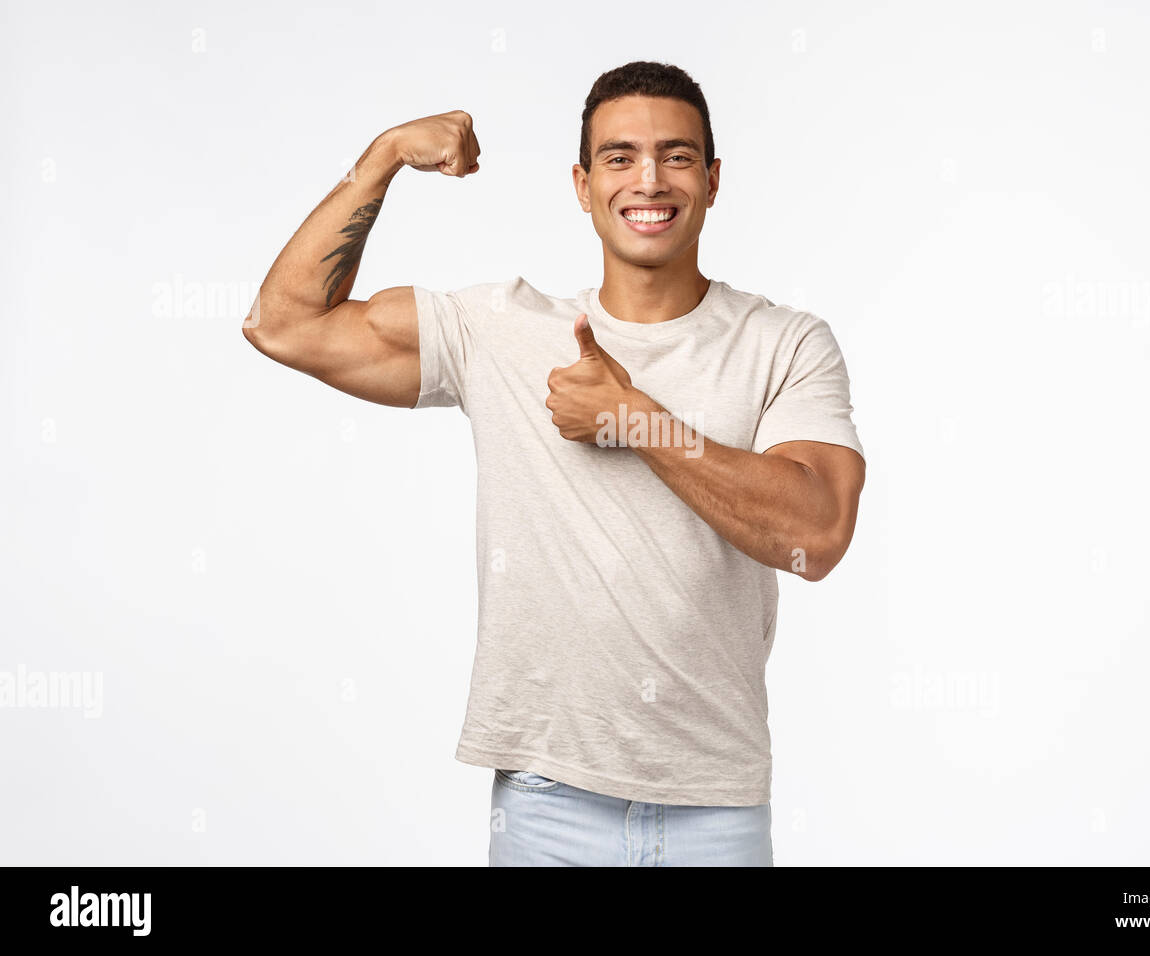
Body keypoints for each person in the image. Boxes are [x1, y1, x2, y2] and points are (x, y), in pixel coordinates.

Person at [242, 60, 866, 866]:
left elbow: (815, 535)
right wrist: (385, 154)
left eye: (677, 157)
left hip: (716, 807)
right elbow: (282, 323)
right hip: (547, 806)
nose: (649, 178)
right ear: (581, 183)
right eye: (619, 156)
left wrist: (633, 417)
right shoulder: (499, 327)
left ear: (713, 182)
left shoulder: (785, 342)